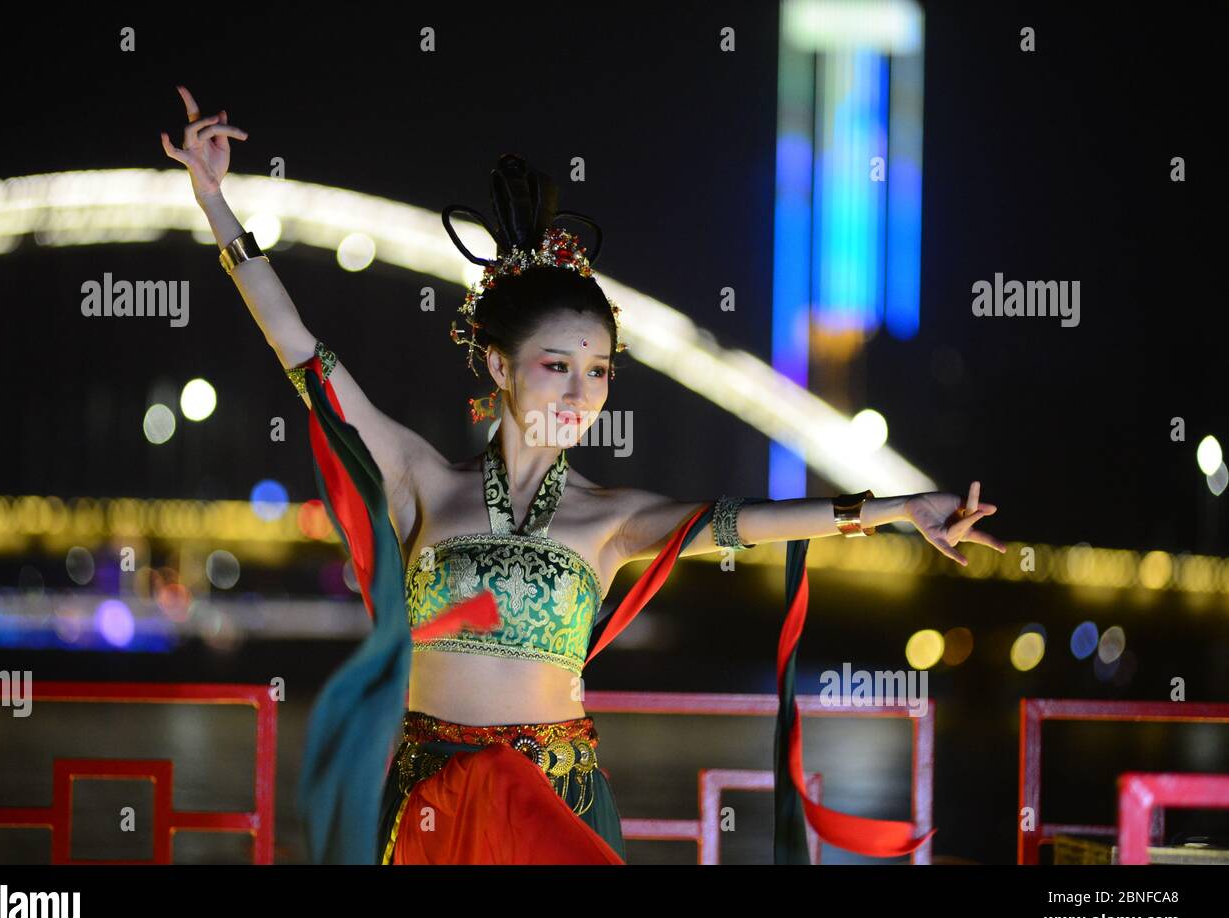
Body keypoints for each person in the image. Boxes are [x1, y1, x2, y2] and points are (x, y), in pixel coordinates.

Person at [162, 86, 1007, 865]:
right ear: (498, 365)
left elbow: (744, 520)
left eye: (599, 371)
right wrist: (215, 204)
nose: (581, 391)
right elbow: (303, 352)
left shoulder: (612, 518)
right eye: (558, 365)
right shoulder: (421, 479)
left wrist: (901, 507)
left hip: (555, 810)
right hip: (429, 805)